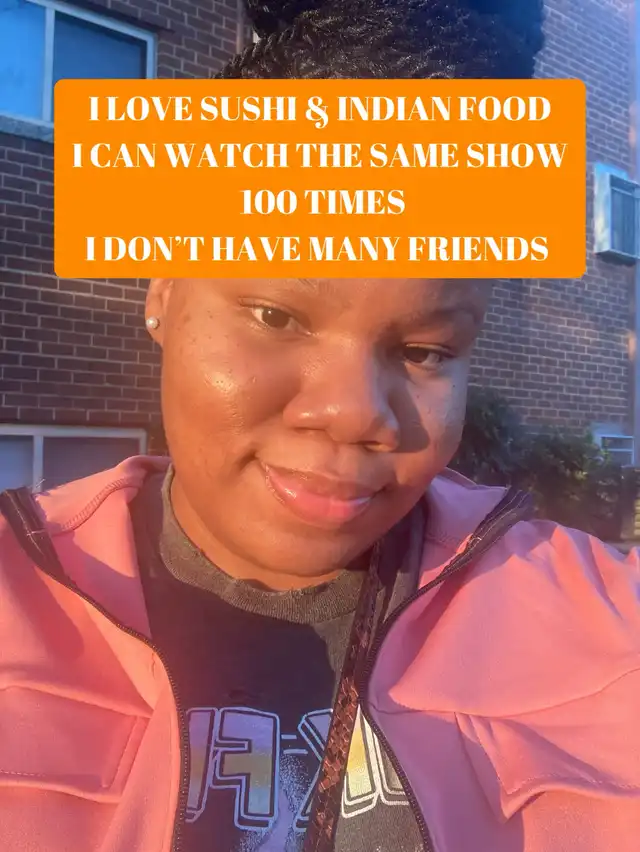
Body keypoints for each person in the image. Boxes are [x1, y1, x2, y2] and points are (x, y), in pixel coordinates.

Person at [1, 1, 639, 851]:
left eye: (426, 350)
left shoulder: (601, 630)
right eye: (276, 314)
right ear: (162, 291)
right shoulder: (20, 597)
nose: (355, 414)